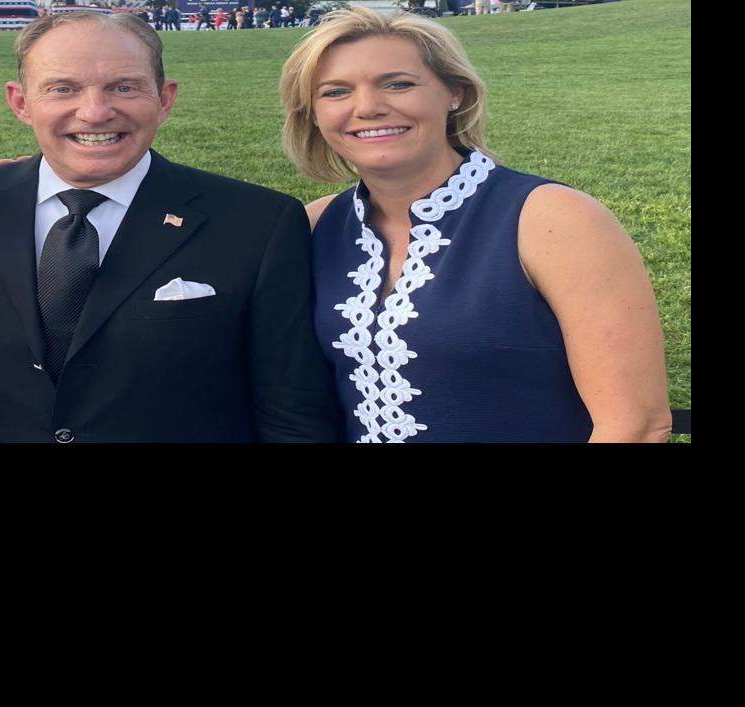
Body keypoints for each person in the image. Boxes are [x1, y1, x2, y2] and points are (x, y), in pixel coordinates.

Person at [0, 12, 339, 442]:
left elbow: (292, 407)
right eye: (63, 88)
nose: (95, 112)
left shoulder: (256, 221)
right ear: (21, 102)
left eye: (123, 87)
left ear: (164, 98)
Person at [280, 8, 670, 441]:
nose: (368, 107)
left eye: (399, 84)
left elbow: (636, 424)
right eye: (335, 92)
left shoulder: (553, 219)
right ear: (312, 113)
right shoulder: (314, 225)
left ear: (455, 93)